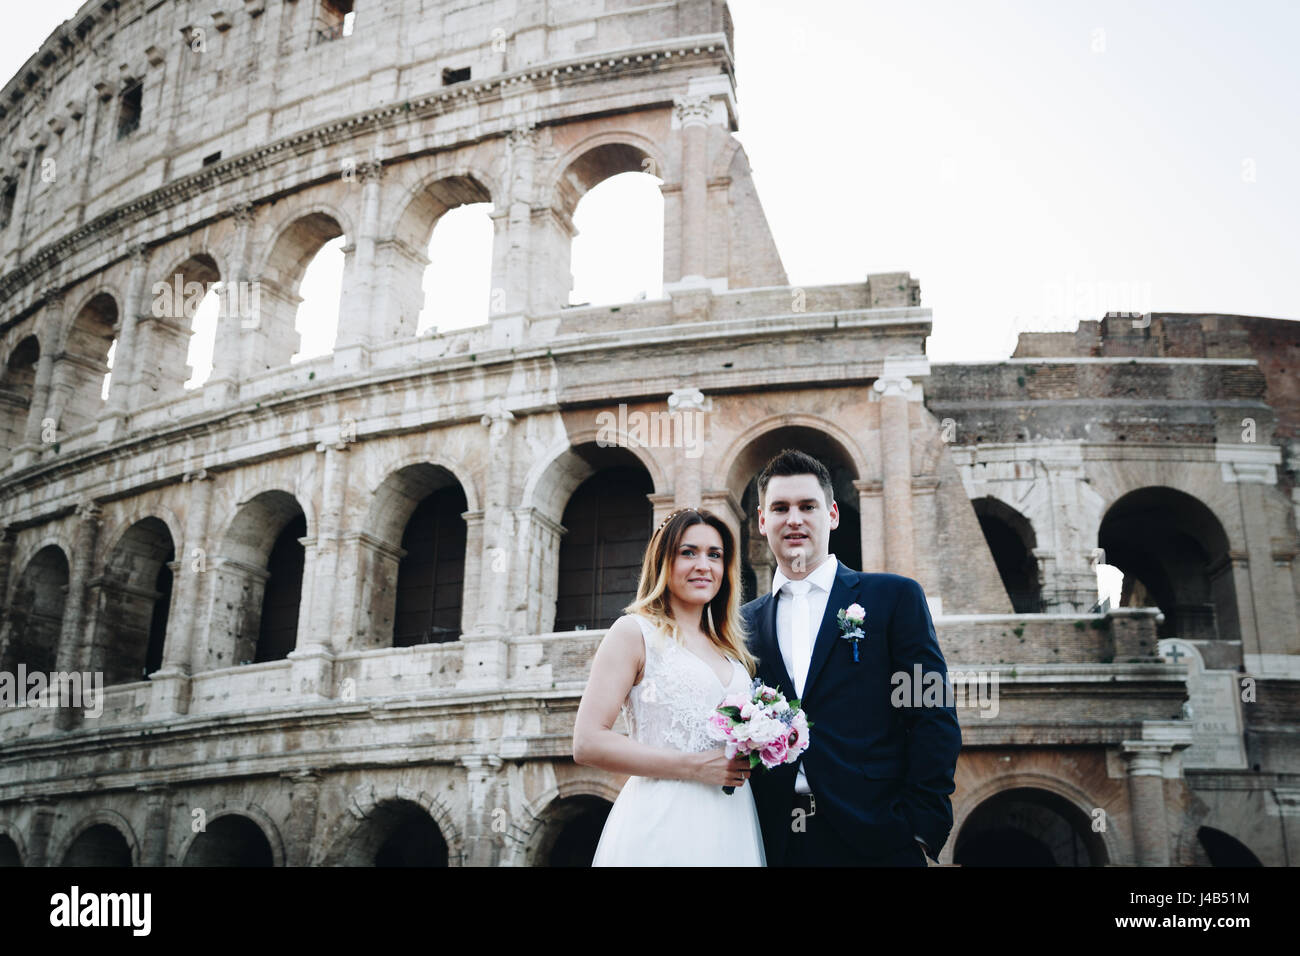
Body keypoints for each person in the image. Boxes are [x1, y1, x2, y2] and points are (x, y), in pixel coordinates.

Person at [741, 448, 962, 866]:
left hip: (879, 836)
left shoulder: (894, 597)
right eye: (780, 508)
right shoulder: (742, 625)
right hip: (774, 841)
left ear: (833, 515)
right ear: (761, 521)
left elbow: (931, 710)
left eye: (808, 506)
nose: (794, 519)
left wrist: (921, 828)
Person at [573, 508, 766, 866]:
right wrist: (693, 766)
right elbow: (587, 742)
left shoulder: (731, 649)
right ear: (664, 560)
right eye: (688, 552)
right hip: (664, 816)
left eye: (715, 555)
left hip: (730, 819)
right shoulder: (634, 633)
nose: (703, 565)